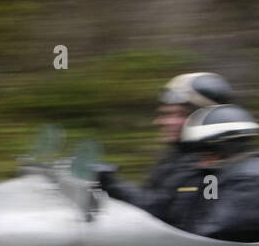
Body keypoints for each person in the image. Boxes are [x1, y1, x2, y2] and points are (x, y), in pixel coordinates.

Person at [150, 105, 259, 242]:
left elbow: (210, 233)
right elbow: (200, 210)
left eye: (204, 152)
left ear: (223, 148)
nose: (197, 159)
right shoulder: (214, 174)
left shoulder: (250, 183)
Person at [99, 71, 234, 214]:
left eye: (178, 115)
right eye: (165, 114)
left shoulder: (208, 163)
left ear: (208, 117)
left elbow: (161, 212)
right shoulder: (180, 153)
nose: (162, 122)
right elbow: (151, 196)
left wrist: (110, 182)